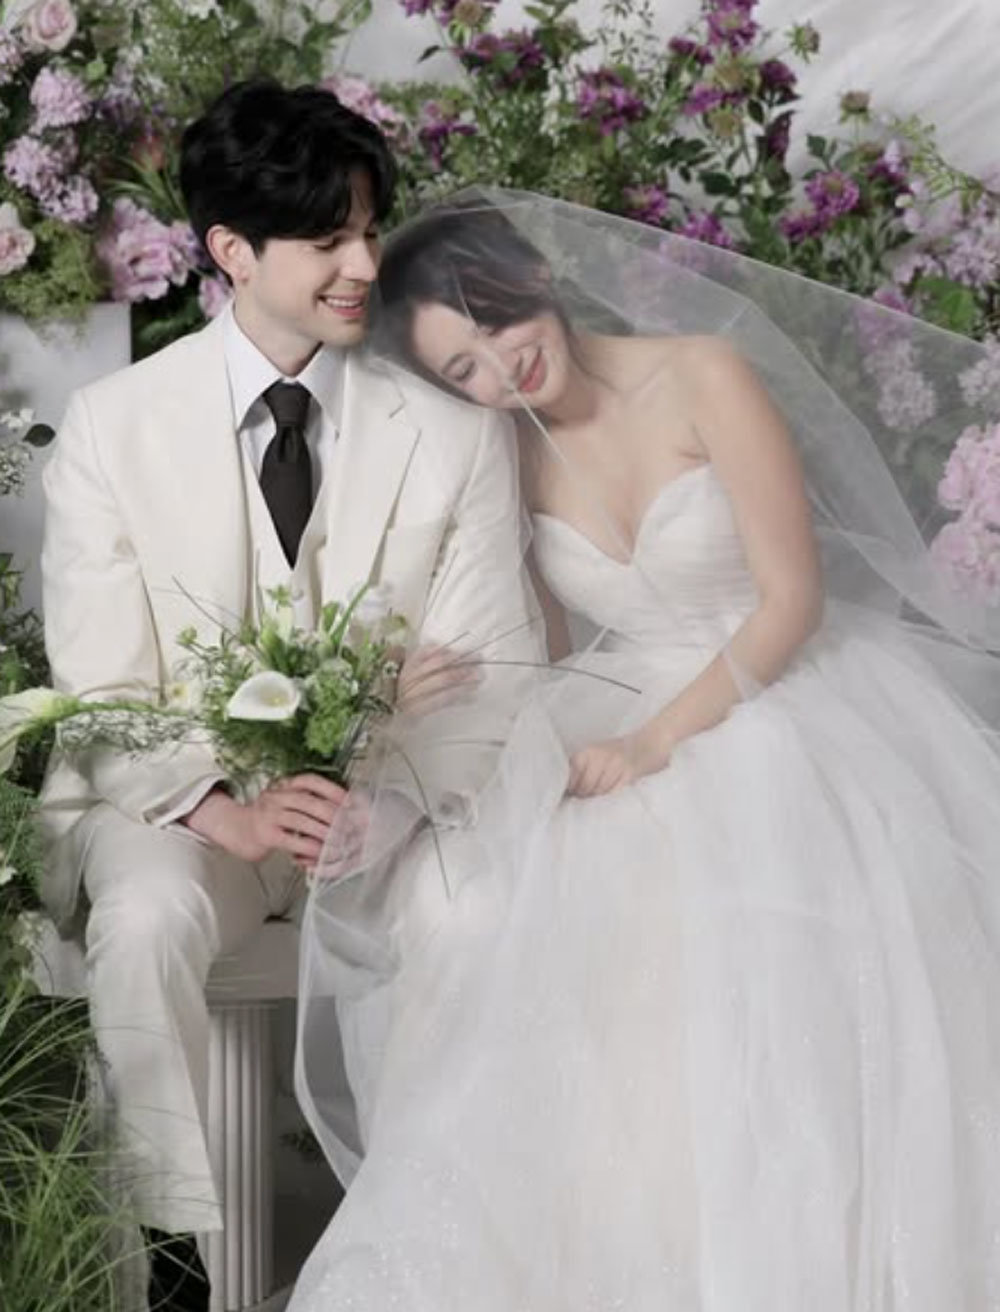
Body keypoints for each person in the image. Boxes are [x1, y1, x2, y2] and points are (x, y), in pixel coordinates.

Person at [288, 195, 1000, 1310]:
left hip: (777, 687)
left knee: (743, 912)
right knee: (502, 904)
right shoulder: (507, 451)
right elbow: (540, 645)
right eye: (463, 368)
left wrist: (655, 741)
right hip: (612, 700)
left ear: (532, 273)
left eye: (495, 322)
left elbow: (794, 599)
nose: (501, 368)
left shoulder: (702, 372)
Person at [39, 96, 537, 1310]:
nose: (364, 264)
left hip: (385, 806)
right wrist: (221, 808)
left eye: (369, 229)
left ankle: (442, 1259)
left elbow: (492, 665)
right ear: (232, 252)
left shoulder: (454, 431)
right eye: (327, 240)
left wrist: (388, 804)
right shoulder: (112, 426)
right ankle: (170, 1257)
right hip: (176, 810)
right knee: (147, 916)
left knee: (475, 913)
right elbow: (103, 688)